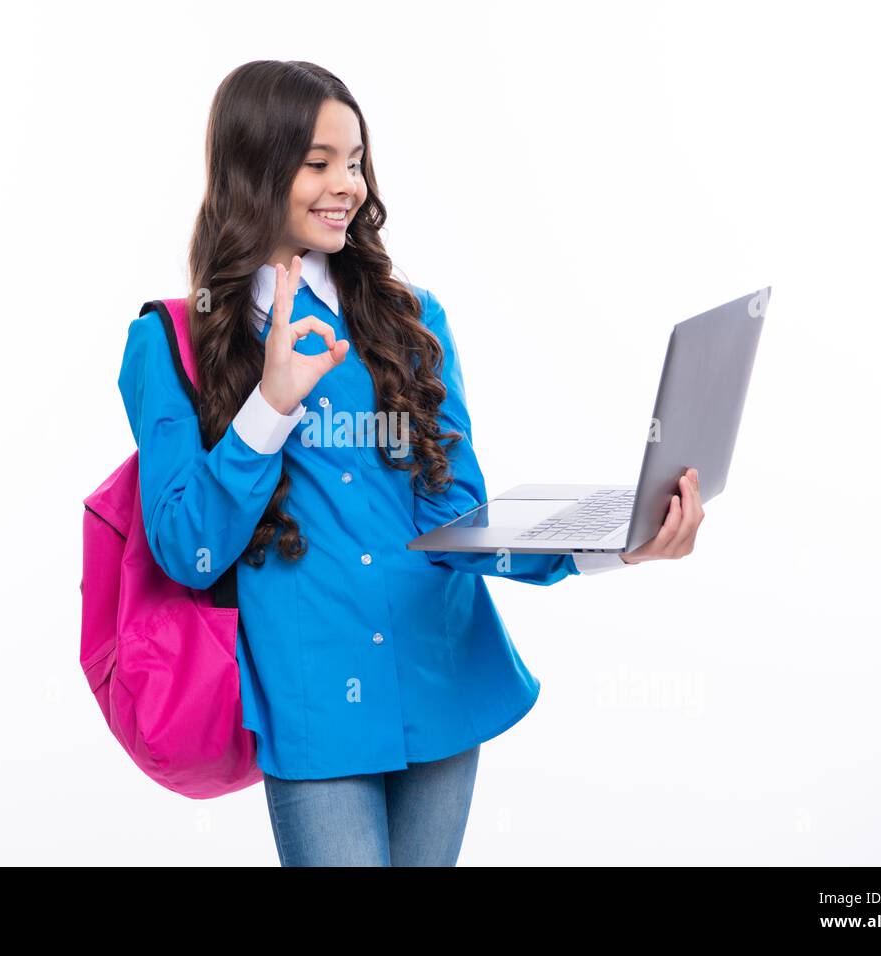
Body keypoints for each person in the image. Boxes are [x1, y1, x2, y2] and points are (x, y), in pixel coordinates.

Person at [118, 60, 703, 866]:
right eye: (318, 162)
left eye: (354, 161)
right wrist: (270, 406)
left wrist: (613, 542)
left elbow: (456, 517)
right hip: (311, 701)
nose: (346, 185)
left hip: (438, 672)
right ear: (253, 168)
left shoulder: (412, 318)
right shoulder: (171, 341)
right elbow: (189, 549)